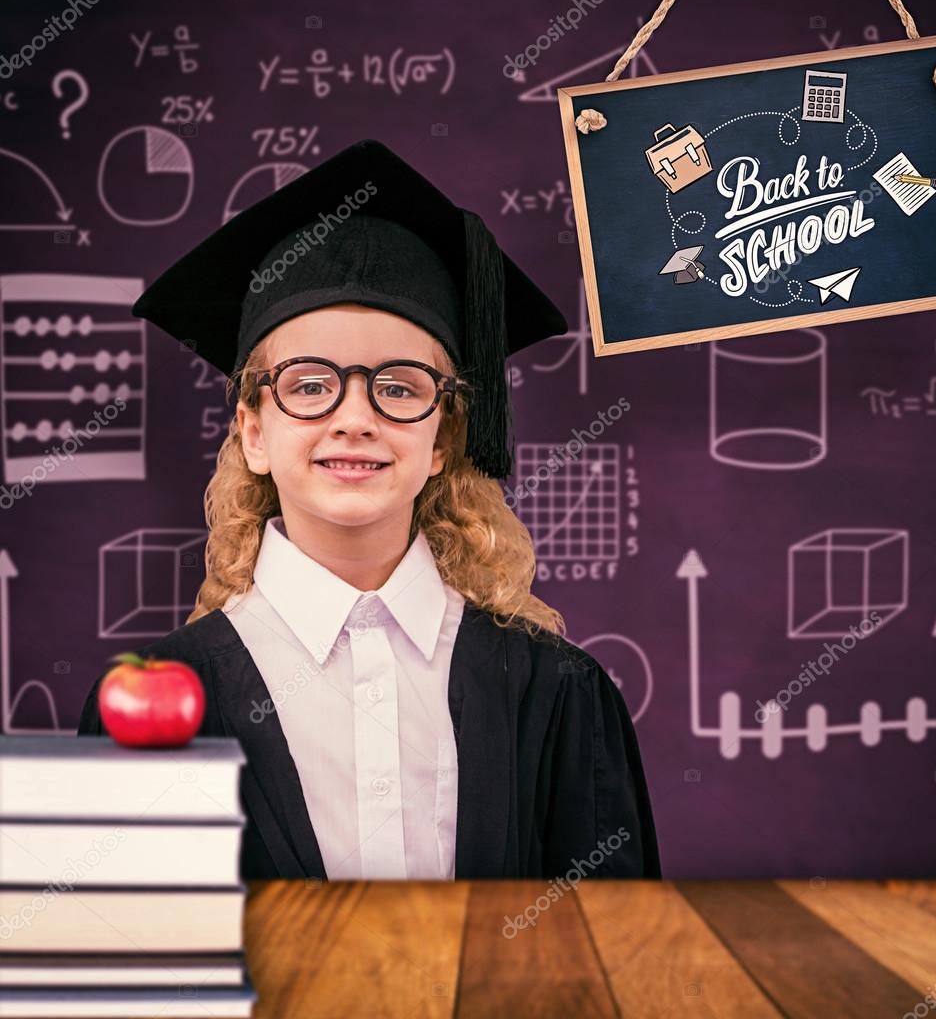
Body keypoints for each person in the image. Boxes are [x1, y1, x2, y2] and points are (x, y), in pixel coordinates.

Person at [77, 138, 661, 881]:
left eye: (401, 386)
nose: (355, 418)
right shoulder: (155, 701)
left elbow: (612, 974)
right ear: (254, 430)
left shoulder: (558, 696)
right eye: (310, 384)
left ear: (445, 437)